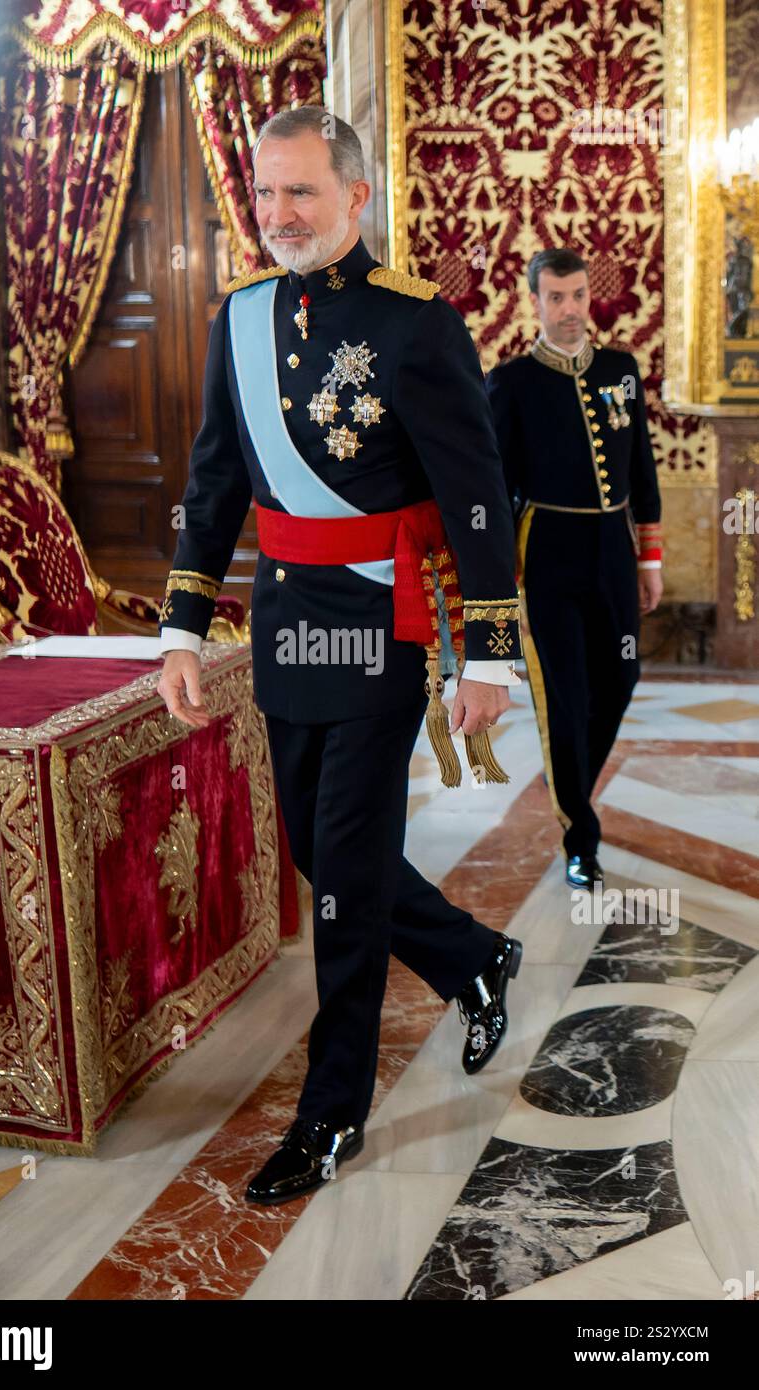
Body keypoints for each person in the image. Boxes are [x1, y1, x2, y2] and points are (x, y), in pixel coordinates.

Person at [156, 105, 523, 1205]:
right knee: (326, 855)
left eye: (301, 192)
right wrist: (180, 629)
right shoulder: (240, 316)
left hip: (378, 624)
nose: (278, 215)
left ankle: (330, 1117)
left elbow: (473, 493)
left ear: (357, 197)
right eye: (265, 194)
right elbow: (217, 476)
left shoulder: (417, 323)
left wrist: (489, 655)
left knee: (346, 872)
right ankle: (472, 957)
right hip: (282, 620)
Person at [486, 248, 663, 891]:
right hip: (548, 549)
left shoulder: (622, 370)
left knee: (620, 675)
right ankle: (579, 838)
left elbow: (642, 468)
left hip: (612, 547)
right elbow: (497, 490)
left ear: (592, 297)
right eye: (555, 297)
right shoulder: (511, 383)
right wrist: (505, 587)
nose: (568, 310)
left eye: (578, 296)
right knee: (566, 696)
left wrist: (650, 558)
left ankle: (568, 777)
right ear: (534, 300)